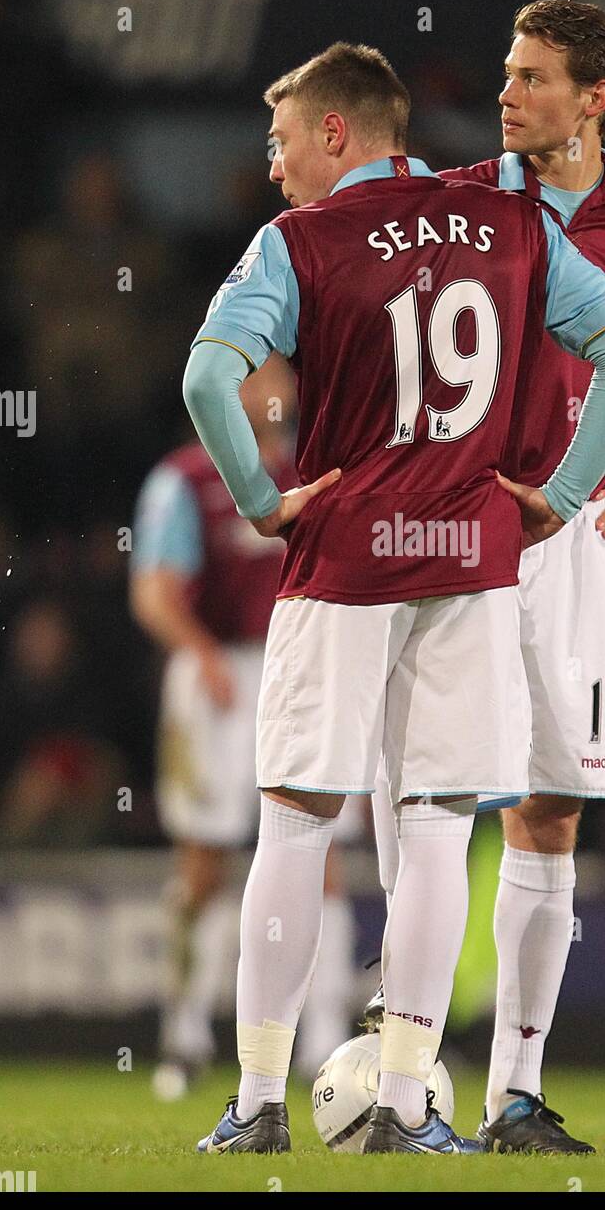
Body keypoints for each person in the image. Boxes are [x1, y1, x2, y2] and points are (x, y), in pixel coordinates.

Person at [182, 41, 605, 1155]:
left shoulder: (298, 241)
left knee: (299, 819)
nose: (272, 166)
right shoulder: (512, 222)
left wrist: (263, 497)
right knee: (437, 825)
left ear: (334, 133)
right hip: (472, 562)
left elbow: (208, 376)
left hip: (345, 557)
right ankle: (405, 1104)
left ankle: (255, 1103)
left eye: (281, 140)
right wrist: (563, 493)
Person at [369, 0, 605, 1153]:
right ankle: (403, 1073)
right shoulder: (462, 202)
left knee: (553, 804)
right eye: (507, 73)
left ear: (592, 100)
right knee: (427, 795)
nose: (507, 94)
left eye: (530, 77)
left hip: (580, 548)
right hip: (466, 523)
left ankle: (514, 1093)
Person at [130, 376, 357, 1098]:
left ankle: (324, 1037)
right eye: (257, 367)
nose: (276, 383)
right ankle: (185, 1033)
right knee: (205, 857)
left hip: (298, 665)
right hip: (216, 674)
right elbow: (154, 591)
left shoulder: (318, 466)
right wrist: (198, 653)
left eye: (283, 368)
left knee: (319, 851)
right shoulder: (186, 479)